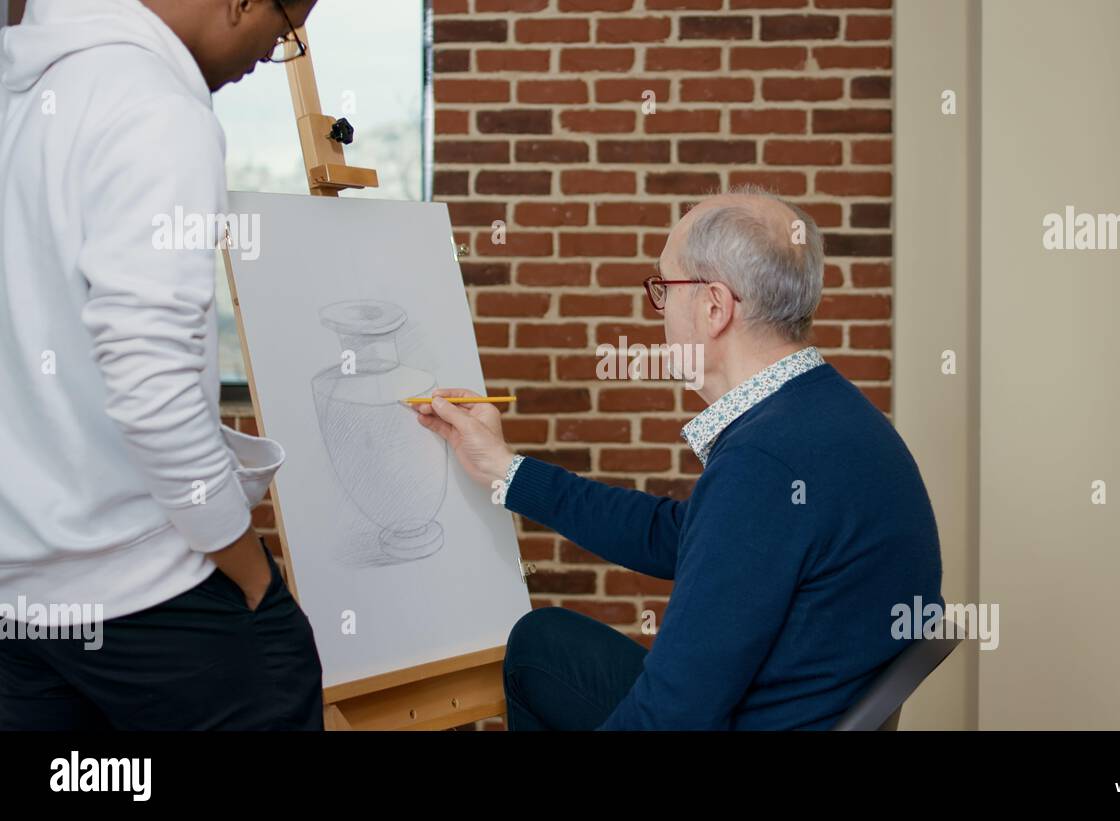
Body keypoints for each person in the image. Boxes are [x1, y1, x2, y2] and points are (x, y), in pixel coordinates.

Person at [416, 186, 945, 730]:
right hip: (793, 704)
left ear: (714, 307)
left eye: (664, 288)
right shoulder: (828, 416)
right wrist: (507, 471)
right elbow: (685, 535)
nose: (660, 308)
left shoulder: (766, 463)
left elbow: (672, 715)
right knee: (541, 644)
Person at [0, 0, 323, 730]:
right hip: (148, 596)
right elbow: (152, 387)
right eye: (283, 32)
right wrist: (250, 574)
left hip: (21, 608)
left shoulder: (21, 90)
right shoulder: (155, 107)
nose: (268, 58)